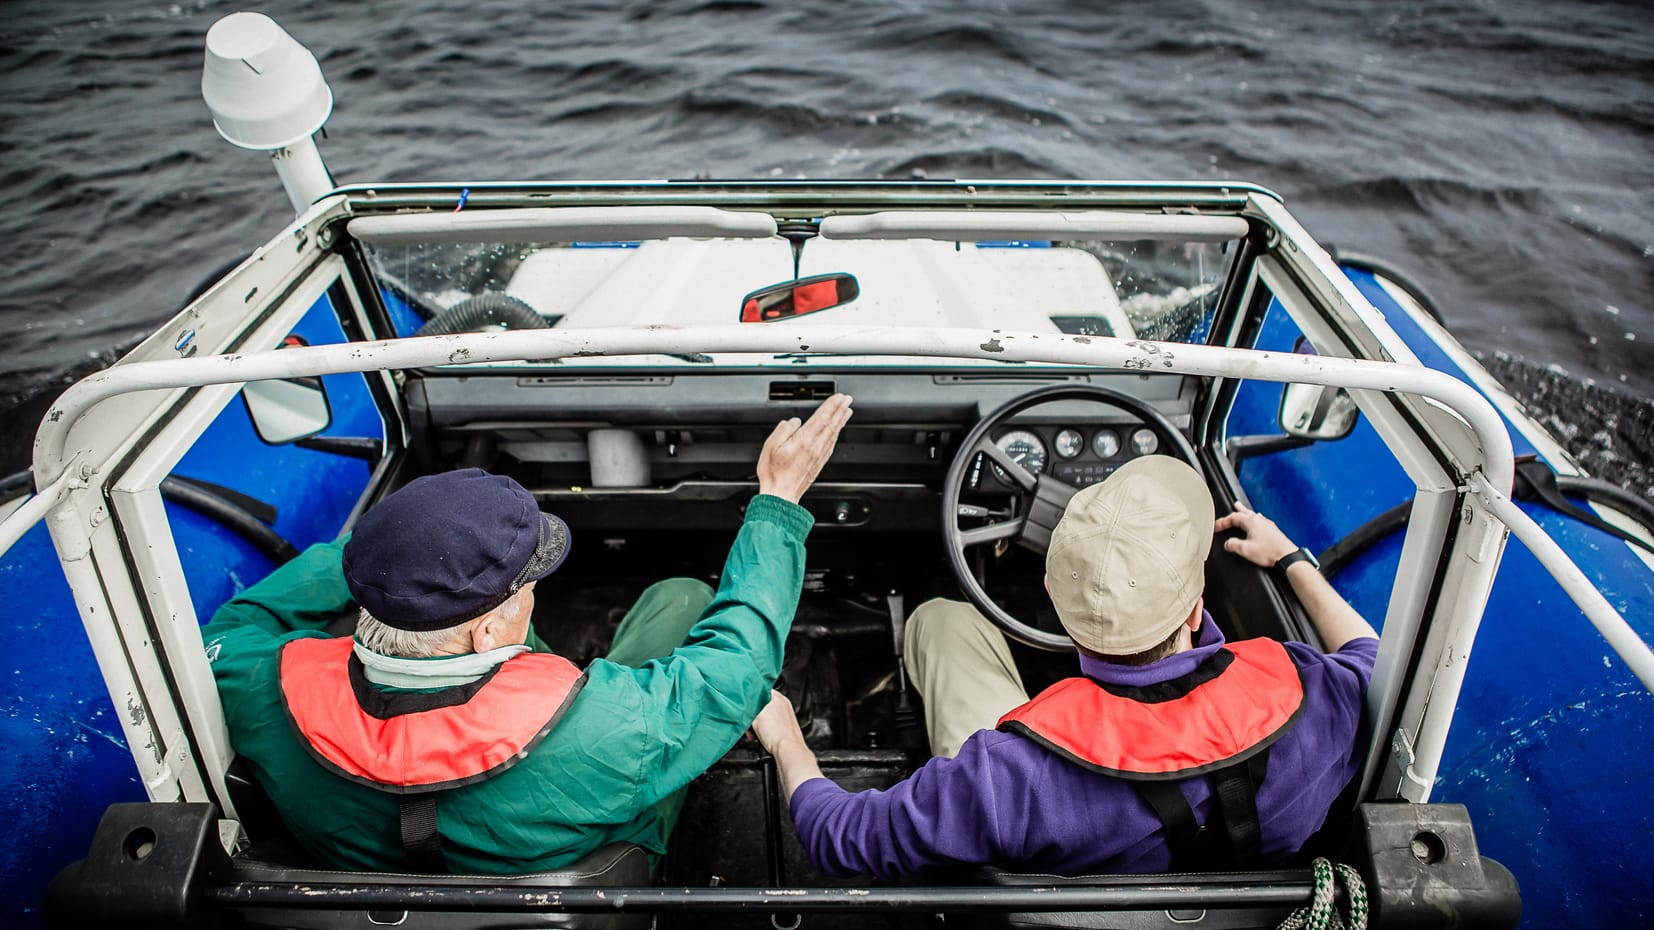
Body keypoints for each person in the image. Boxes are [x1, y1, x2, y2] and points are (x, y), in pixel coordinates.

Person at [203, 393, 853, 874]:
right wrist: (778, 500)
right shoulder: (612, 730)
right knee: (680, 598)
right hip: (592, 856)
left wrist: (391, 558)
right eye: (527, 584)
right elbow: (737, 666)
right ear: (487, 631)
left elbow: (236, 623)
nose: (535, 587)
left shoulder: (258, 689)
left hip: (389, 863)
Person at [752, 454, 1378, 879]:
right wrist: (1291, 559)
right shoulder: (1313, 694)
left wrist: (786, 741)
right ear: (1196, 607)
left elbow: (840, 839)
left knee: (941, 619)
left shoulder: (1007, 776)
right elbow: (1367, 654)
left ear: (1055, 601)